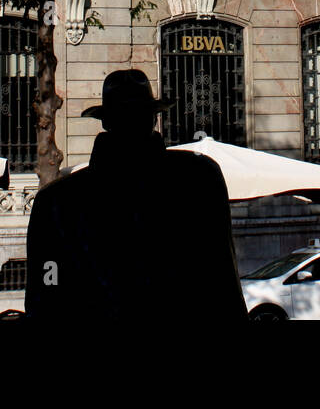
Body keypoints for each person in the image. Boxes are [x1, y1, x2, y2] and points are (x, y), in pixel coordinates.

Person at [25, 68, 247, 319]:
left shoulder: (55, 202)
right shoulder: (199, 179)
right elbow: (223, 287)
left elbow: (43, 302)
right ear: (153, 118)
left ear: (106, 122)